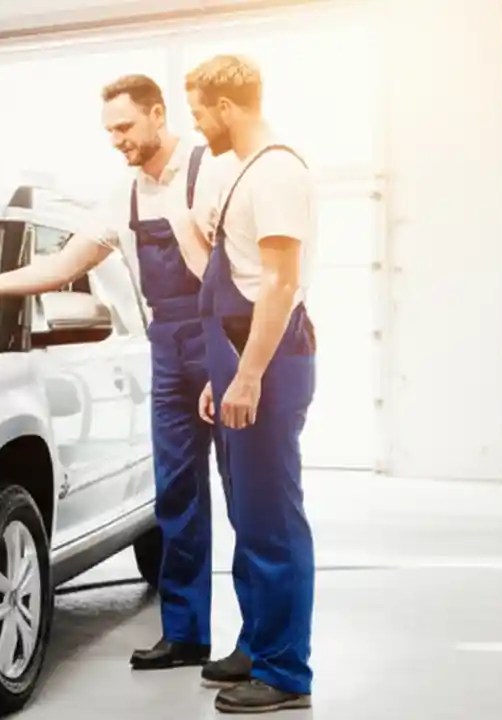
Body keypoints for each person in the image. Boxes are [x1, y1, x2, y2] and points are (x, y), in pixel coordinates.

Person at [0, 73, 242, 672]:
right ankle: (187, 633)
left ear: (157, 114)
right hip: (168, 354)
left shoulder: (211, 172)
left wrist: (231, 361)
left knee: (246, 498)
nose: (116, 139)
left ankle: (254, 644)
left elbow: (244, 268)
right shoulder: (122, 195)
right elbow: (67, 261)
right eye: (108, 130)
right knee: (177, 498)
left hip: (220, 340)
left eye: (124, 126)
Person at [182, 54, 318, 714]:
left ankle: (286, 671)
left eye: (199, 111)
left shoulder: (277, 172)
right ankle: (257, 643)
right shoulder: (243, 173)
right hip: (238, 363)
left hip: (268, 363)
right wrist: (222, 376)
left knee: (273, 518)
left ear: (227, 108)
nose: (198, 123)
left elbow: (280, 284)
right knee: (248, 516)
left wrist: (250, 375)